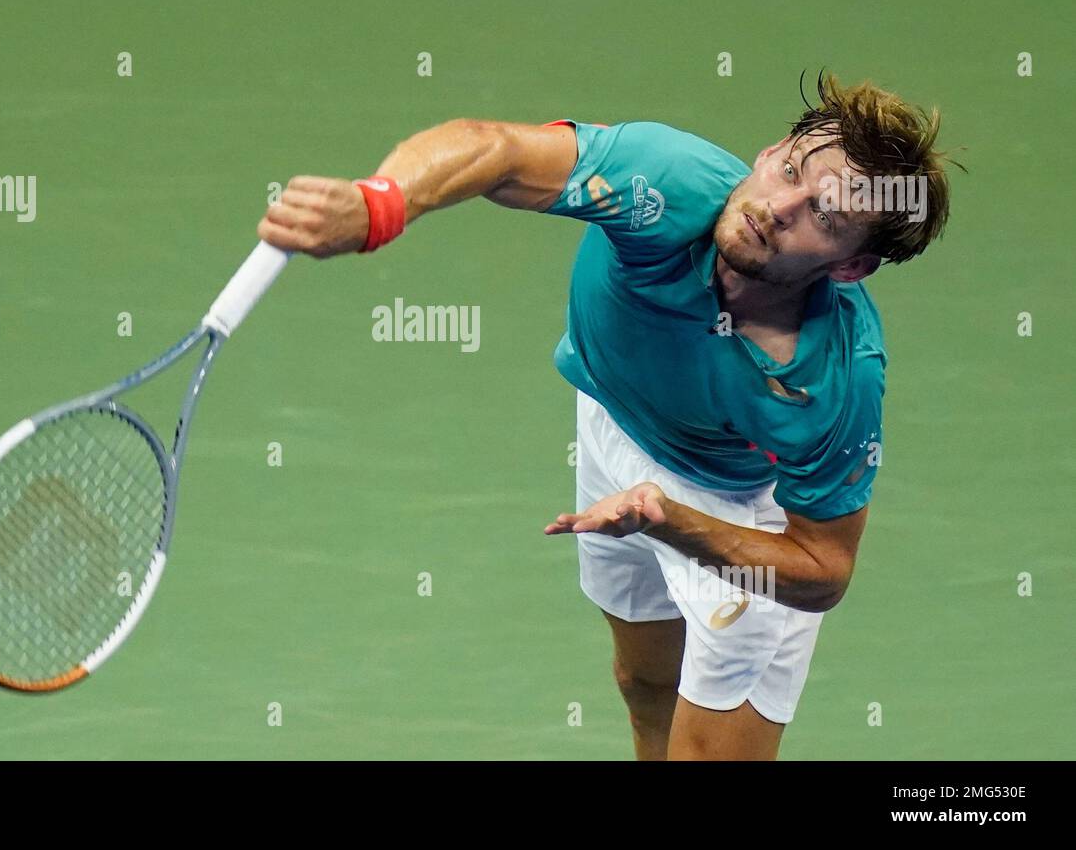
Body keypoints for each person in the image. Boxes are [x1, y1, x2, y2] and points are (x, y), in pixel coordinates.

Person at [255, 73, 955, 760]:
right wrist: (380, 204)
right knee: (645, 681)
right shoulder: (661, 181)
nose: (779, 206)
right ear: (771, 152)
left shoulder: (833, 380)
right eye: (792, 171)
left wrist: (674, 521)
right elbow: (497, 150)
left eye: (824, 216)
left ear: (850, 268)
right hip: (612, 425)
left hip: (739, 515)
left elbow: (823, 570)